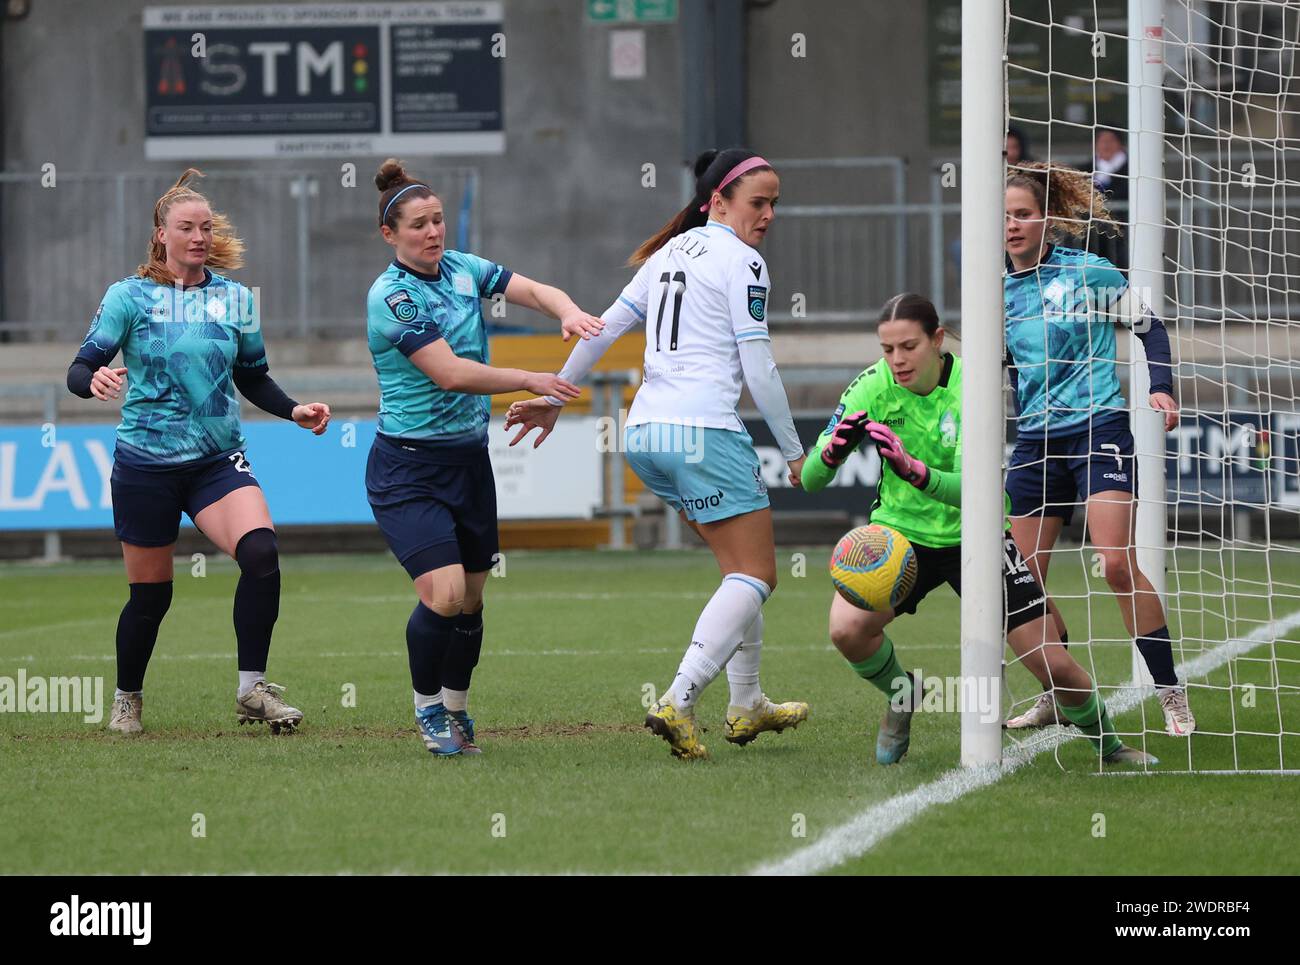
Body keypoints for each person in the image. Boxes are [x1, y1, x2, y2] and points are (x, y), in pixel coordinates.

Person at [504, 148, 810, 761]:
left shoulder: (668, 253)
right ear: (717, 202)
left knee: (737, 573)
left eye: (775, 202)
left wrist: (560, 394)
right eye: (759, 202)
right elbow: (759, 365)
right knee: (757, 574)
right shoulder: (744, 262)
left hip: (645, 435)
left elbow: (604, 327)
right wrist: (795, 447)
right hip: (703, 432)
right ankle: (680, 696)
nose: (769, 214)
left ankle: (747, 703)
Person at [803, 293, 1155, 767]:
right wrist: (830, 454)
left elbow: (981, 492)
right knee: (847, 630)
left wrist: (915, 471)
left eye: (908, 346)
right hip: (900, 538)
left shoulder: (974, 387)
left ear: (937, 339)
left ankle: (1110, 747)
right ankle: (902, 694)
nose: (897, 360)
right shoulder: (870, 387)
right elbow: (809, 479)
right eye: (887, 350)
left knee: (1051, 662)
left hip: (978, 536)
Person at [67, 169, 331, 736]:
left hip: (216, 460)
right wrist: (92, 382)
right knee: (151, 596)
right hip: (146, 465)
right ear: (161, 234)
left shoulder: (236, 299)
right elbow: (80, 367)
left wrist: (294, 411)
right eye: (186, 227)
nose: (199, 236)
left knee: (261, 554)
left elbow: (254, 378)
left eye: (206, 227)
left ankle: (250, 690)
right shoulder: (128, 296)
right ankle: (128, 698)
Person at [365, 158, 600, 757]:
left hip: (469, 464)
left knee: (471, 600)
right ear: (390, 235)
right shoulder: (391, 296)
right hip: (408, 468)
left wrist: (567, 310)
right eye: (419, 224)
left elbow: (533, 289)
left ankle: (456, 707)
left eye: (439, 220)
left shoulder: (465, 270)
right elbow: (447, 373)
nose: (434, 231)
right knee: (442, 595)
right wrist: (529, 377)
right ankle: (426, 712)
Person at [1003, 160, 1194, 735]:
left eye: (1022, 214)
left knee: (1114, 563)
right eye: (1004, 216)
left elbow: (1148, 326)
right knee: (1021, 582)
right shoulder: (996, 292)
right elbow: (1007, 371)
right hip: (1035, 441)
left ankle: (1170, 692)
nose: (1011, 225)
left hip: (1098, 429)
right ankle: (1059, 689)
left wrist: (1160, 388)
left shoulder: (1088, 272)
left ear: (1048, 219)